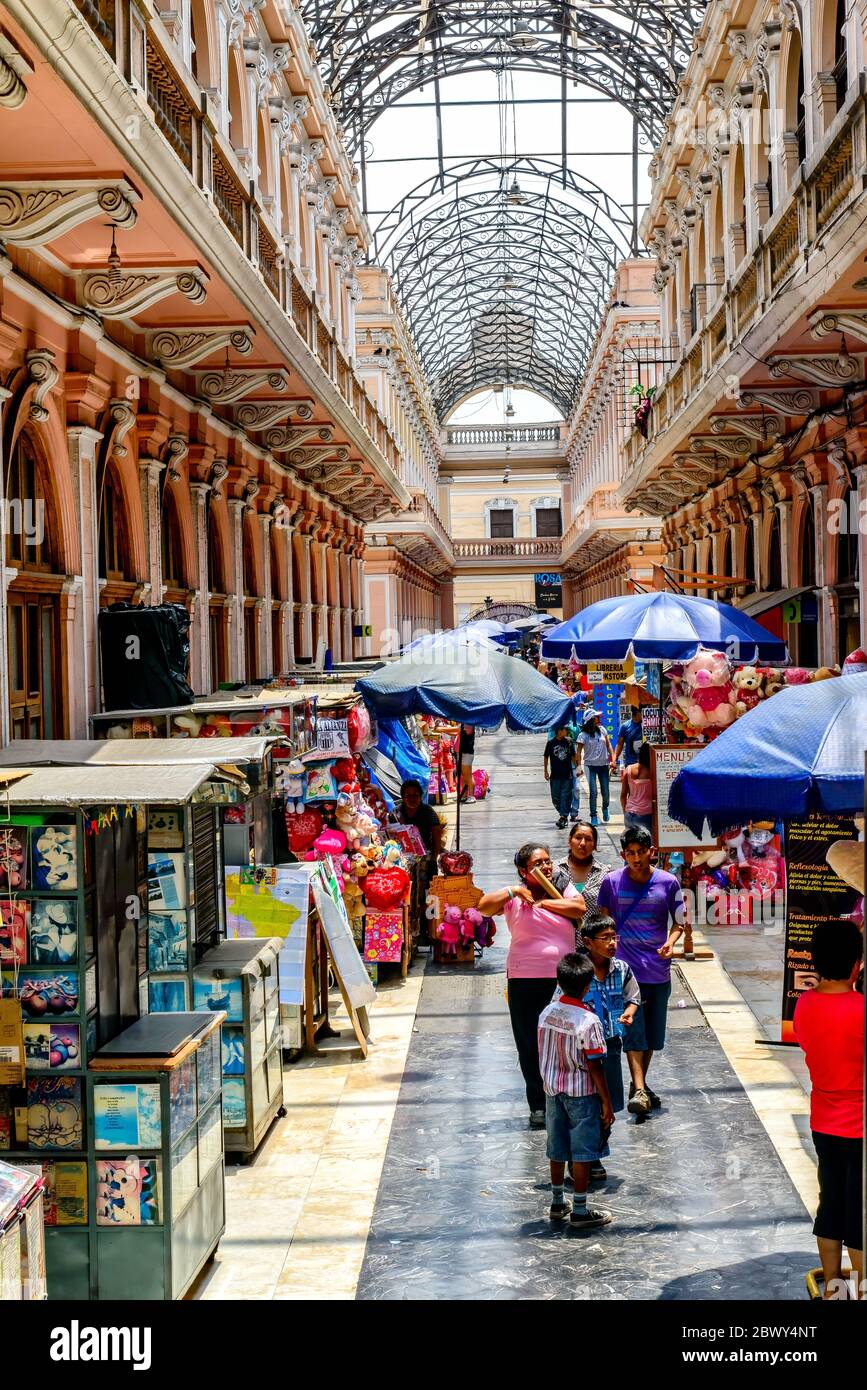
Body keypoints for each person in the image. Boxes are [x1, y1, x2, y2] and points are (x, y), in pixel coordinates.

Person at [478, 844, 585, 1129]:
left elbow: (579, 908)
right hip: (524, 977)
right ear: (524, 871)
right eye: (539, 863)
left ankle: (565, 1097)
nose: (547, 867)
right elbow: (483, 907)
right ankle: (537, 1104)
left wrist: (544, 902)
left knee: (565, 1039)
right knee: (529, 1043)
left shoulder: (563, 889)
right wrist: (514, 892)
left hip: (563, 977)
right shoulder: (514, 897)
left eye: (549, 861)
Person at [793, 920, 864, 1299]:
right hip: (861, 1129)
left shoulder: (805, 1005)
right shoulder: (861, 1009)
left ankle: (834, 1288)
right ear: (858, 963)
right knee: (860, 1214)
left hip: (824, 1123)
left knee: (832, 1202)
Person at [596, 825, 685, 1116]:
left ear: (651, 852)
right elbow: (604, 925)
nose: (635, 858)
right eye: (630, 853)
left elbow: (680, 923)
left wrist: (671, 943)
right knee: (633, 1031)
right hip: (624, 972)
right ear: (623, 854)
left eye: (640, 852)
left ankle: (640, 1086)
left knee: (652, 1036)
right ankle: (639, 1088)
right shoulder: (611, 883)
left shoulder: (669, 883)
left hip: (657, 970)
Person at [538, 952, 614, 1228]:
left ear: (559, 980)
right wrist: (606, 1101)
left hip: (552, 1091)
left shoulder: (546, 1013)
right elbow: (595, 1065)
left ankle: (557, 1202)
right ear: (587, 985)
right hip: (581, 1093)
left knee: (556, 1147)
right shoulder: (588, 1020)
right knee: (582, 1152)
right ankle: (580, 1210)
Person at [579, 917, 641, 1179]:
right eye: (605, 938)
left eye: (614, 937)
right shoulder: (577, 971)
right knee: (587, 1101)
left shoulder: (623, 969)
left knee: (609, 1103)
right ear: (588, 943)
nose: (612, 943)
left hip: (612, 1044)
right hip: (583, 1049)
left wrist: (629, 1013)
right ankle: (585, 1157)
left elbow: (634, 997)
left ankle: (599, 1148)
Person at [552, 821, 612, 933]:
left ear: (594, 845)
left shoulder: (605, 873)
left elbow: (607, 913)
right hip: (560, 941)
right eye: (578, 838)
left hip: (592, 945)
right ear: (569, 840)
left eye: (588, 839)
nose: (583, 843)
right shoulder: (554, 869)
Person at [392, 778, 444, 876]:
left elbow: (437, 834)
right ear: (403, 798)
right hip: (402, 856)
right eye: (408, 796)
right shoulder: (396, 812)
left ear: (420, 796)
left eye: (415, 795)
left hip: (426, 855)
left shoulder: (428, 811)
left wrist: (433, 858)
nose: (412, 799)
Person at [576, 709, 615, 826]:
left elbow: (609, 746)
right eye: (597, 717)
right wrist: (578, 766)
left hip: (603, 765)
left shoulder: (602, 730)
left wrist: (613, 760)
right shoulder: (582, 735)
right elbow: (578, 752)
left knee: (605, 791)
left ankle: (605, 808)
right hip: (590, 766)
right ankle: (593, 815)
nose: (599, 719)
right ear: (591, 720)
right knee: (593, 791)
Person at [543, 725, 579, 829]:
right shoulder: (550, 743)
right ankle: (563, 814)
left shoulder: (569, 741)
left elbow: (573, 756)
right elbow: (546, 757)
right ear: (559, 731)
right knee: (555, 798)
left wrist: (577, 768)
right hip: (555, 776)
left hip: (567, 775)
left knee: (565, 796)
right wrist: (545, 771)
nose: (566, 732)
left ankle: (563, 817)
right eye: (564, 730)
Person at [621, 740, 655, 832]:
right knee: (646, 844)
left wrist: (625, 812)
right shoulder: (654, 772)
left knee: (629, 844)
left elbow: (623, 795)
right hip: (646, 814)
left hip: (629, 813)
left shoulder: (628, 769)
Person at [457, 724, 476, 803]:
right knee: (463, 775)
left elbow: (455, 730)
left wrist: (440, 729)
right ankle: (464, 795)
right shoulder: (463, 722)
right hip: (462, 752)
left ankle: (472, 796)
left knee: (468, 775)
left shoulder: (469, 723)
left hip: (467, 753)